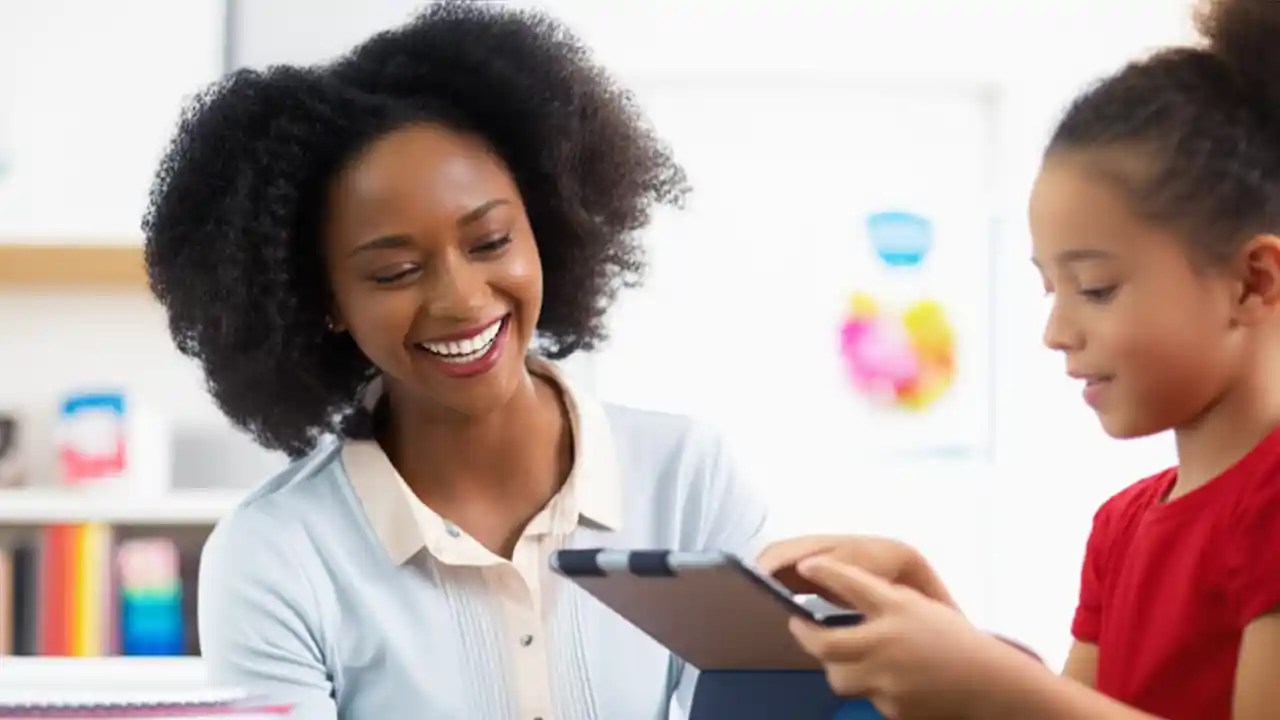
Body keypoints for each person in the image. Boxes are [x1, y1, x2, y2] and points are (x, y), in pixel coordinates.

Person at [143, 3, 771, 717]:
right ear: (325, 301)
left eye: (491, 241)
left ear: (545, 225)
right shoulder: (277, 555)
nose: (462, 299)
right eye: (394, 272)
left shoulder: (688, 480)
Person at [760, 0, 1280, 717]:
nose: (1057, 331)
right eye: (1049, 287)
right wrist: (926, 600)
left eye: (1096, 288)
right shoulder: (1119, 528)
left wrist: (995, 681)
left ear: (1253, 282)